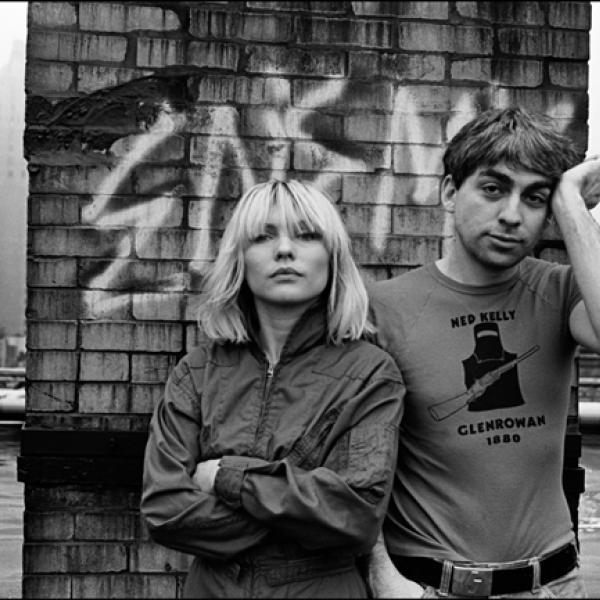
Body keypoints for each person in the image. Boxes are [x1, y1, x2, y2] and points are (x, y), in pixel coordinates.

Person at [366, 107, 600, 598]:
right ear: (450, 192)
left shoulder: (558, 293)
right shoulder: (382, 309)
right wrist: (383, 577)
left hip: (556, 584)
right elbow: (351, 462)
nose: (513, 215)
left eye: (535, 198)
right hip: (432, 586)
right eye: (493, 189)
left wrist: (573, 207)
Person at [140, 179, 405, 598]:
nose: (284, 250)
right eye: (263, 237)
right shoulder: (197, 371)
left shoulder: (370, 375)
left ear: (333, 258)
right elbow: (164, 511)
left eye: (307, 235)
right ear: (240, 259)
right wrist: (299, 508)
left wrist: (229, 478)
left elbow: (354, 516)